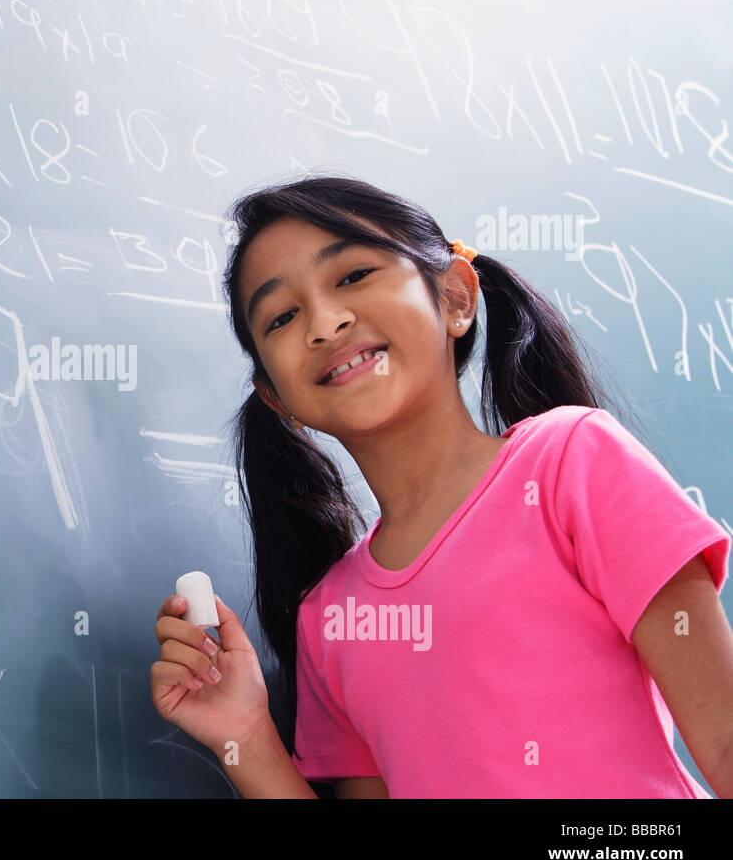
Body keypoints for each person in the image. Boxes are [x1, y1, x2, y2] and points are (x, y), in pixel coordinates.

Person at [151, 175, 733, 798]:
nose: (324, 323)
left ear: (455, 298)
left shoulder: (571, 461)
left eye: (352, 276)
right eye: (283, 316)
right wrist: (249, 738)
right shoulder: (329, 619)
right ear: (276, 396)